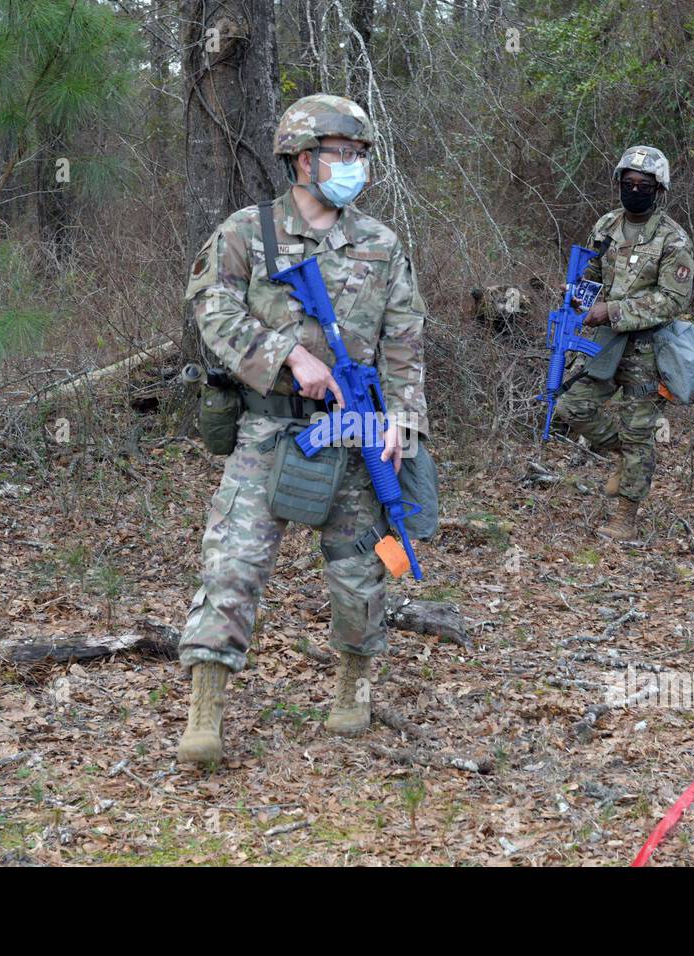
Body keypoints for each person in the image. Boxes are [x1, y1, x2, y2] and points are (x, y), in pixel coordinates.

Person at [176, 94, 429, 765]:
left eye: (359, 156)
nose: (352, 167)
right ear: (302, 160)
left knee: (360, 575)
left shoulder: (381, 244)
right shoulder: (247, 233)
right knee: (231, 566)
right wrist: (288, 354)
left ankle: (353, 684)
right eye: (340, 155)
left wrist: (402, 421)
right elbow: (210, 307)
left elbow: (404, 337)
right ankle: (206, 709)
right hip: (269, 430)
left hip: (355, 435)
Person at [554, 145, 694, 540]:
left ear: (658, 190)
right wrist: (579, 294)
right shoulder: (606, 226)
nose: (635, 190)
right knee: (571, 405)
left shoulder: (673, 240)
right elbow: (592, 273)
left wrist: (613, 310)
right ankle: (619, 454)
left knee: (638, 432)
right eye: (628, 183)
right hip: (604, 342)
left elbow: (673, 299)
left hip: (648, 350)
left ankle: (625, 519)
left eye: (643, 185)